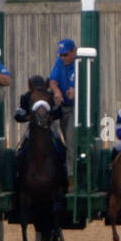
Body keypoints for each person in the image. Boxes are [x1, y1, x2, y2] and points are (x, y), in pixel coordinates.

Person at [12, 74, 66, 169]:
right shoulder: (26, 97)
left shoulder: (50, 96)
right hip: (33, 126)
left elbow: (59, 112)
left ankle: (64, 164)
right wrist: (28, 118)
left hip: (49, 126)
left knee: (59, 144)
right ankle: (18, 167)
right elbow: (18, 116)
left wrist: (50, 117)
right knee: (23, 147)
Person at [49, 38, 79, 176]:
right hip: (64, 108)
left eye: (65, 54)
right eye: (61, 54)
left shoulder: (80, 63)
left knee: (71, 141)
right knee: (66, 139)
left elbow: (86, 84)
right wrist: (57, 91)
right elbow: (53, 80)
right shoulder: (59, 63)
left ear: (74, 52)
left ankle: (71, 175)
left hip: (77, 109)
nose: (63, 57)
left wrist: (76, 91)